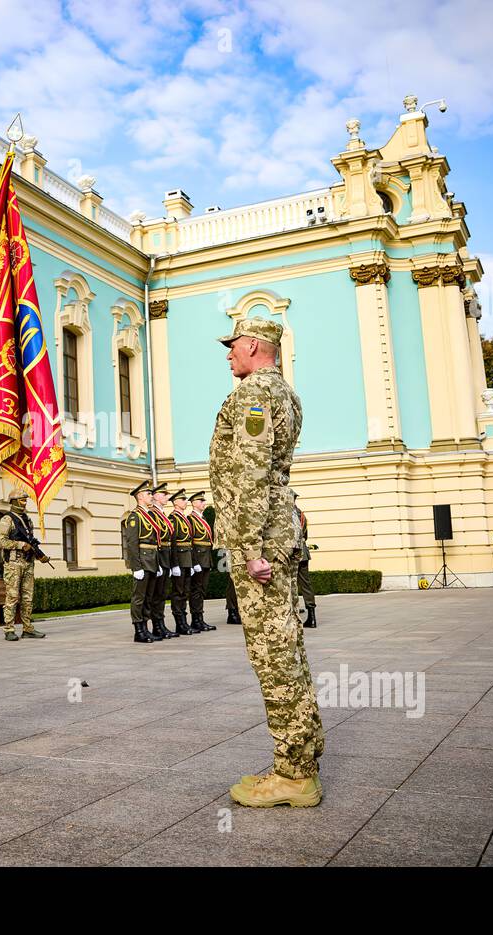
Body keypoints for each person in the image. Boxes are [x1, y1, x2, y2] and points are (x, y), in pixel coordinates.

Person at [209, 315, 324, 809]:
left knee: (273, 655)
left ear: (254, 344)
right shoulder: (286, 393)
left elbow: (252, 473)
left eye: (233, 345)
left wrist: (250, 549)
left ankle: (294, 774)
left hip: (262, 538)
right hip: (278, 529)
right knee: (287, 646)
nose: (228, 353)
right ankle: (305, 749)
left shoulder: (253, 395)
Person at [0, 490, 46, 641]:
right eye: (22, 500)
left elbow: (31, 542)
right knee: (12, 597)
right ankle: (9, 629)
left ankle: (27, 628)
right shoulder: (7, 519)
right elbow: (2, 542)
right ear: (14, 501)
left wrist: (39, 554)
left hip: (28, 562)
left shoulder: (27, 520)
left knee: (27, 598)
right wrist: (20, 544)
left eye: (25, 500)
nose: (24, 503)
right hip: (13, 563)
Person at [122, 479, 161, 643]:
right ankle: (138, 629)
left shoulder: (149, 515)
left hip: (152, 560)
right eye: (148, 493)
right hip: (143, 562)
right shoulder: (134, 517)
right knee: (139, 597)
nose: (151, 496)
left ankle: (145, 627)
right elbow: (132, 544)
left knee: (148, 597)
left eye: (151, 493)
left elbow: (154, 542)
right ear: (139, 497)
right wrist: (136, 567)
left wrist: (157, 563)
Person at [147, 483, 176, 639]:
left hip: (166, 557)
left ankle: (161, 624)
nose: (167, 497)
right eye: (164, 494)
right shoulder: (152, 514)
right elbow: (154, 540)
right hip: (158, 557)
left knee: (162, 594)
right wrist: (157, 563)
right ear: (156, 496)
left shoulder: (163, 513)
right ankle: (156, 625)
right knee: (156, 595)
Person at [187, 491, 217, 632]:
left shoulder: (202, 518)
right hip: (198, 558)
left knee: (202, 590)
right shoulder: (191, 519)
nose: (204, 503)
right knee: (196, 590)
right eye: (201, 501)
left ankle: (200, 618)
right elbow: (190, 542)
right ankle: (196, 620)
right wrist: (194, 562)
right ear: (193, 503)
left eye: (203, 501)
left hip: (205, 557)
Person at [168, 489, 196, 636]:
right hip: (179, 558)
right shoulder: (173, 518)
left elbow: (189, 542)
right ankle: (180, 623)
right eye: (183, 499)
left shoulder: (183, 518)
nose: (186, 502)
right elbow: (173, 543)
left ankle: (184, 622)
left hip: (187, 559)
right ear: (175, 502)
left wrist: (191, 562)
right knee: (178, 592)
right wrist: (175, 564)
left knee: (185, 592)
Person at [292, 492, 316, 628]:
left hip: (290, 552)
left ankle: (292, 613)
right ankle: (312, 616)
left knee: (288, 583)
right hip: (303, 551)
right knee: (306, 584)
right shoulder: (301, 514)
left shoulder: (284, 513)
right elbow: (305, 535)